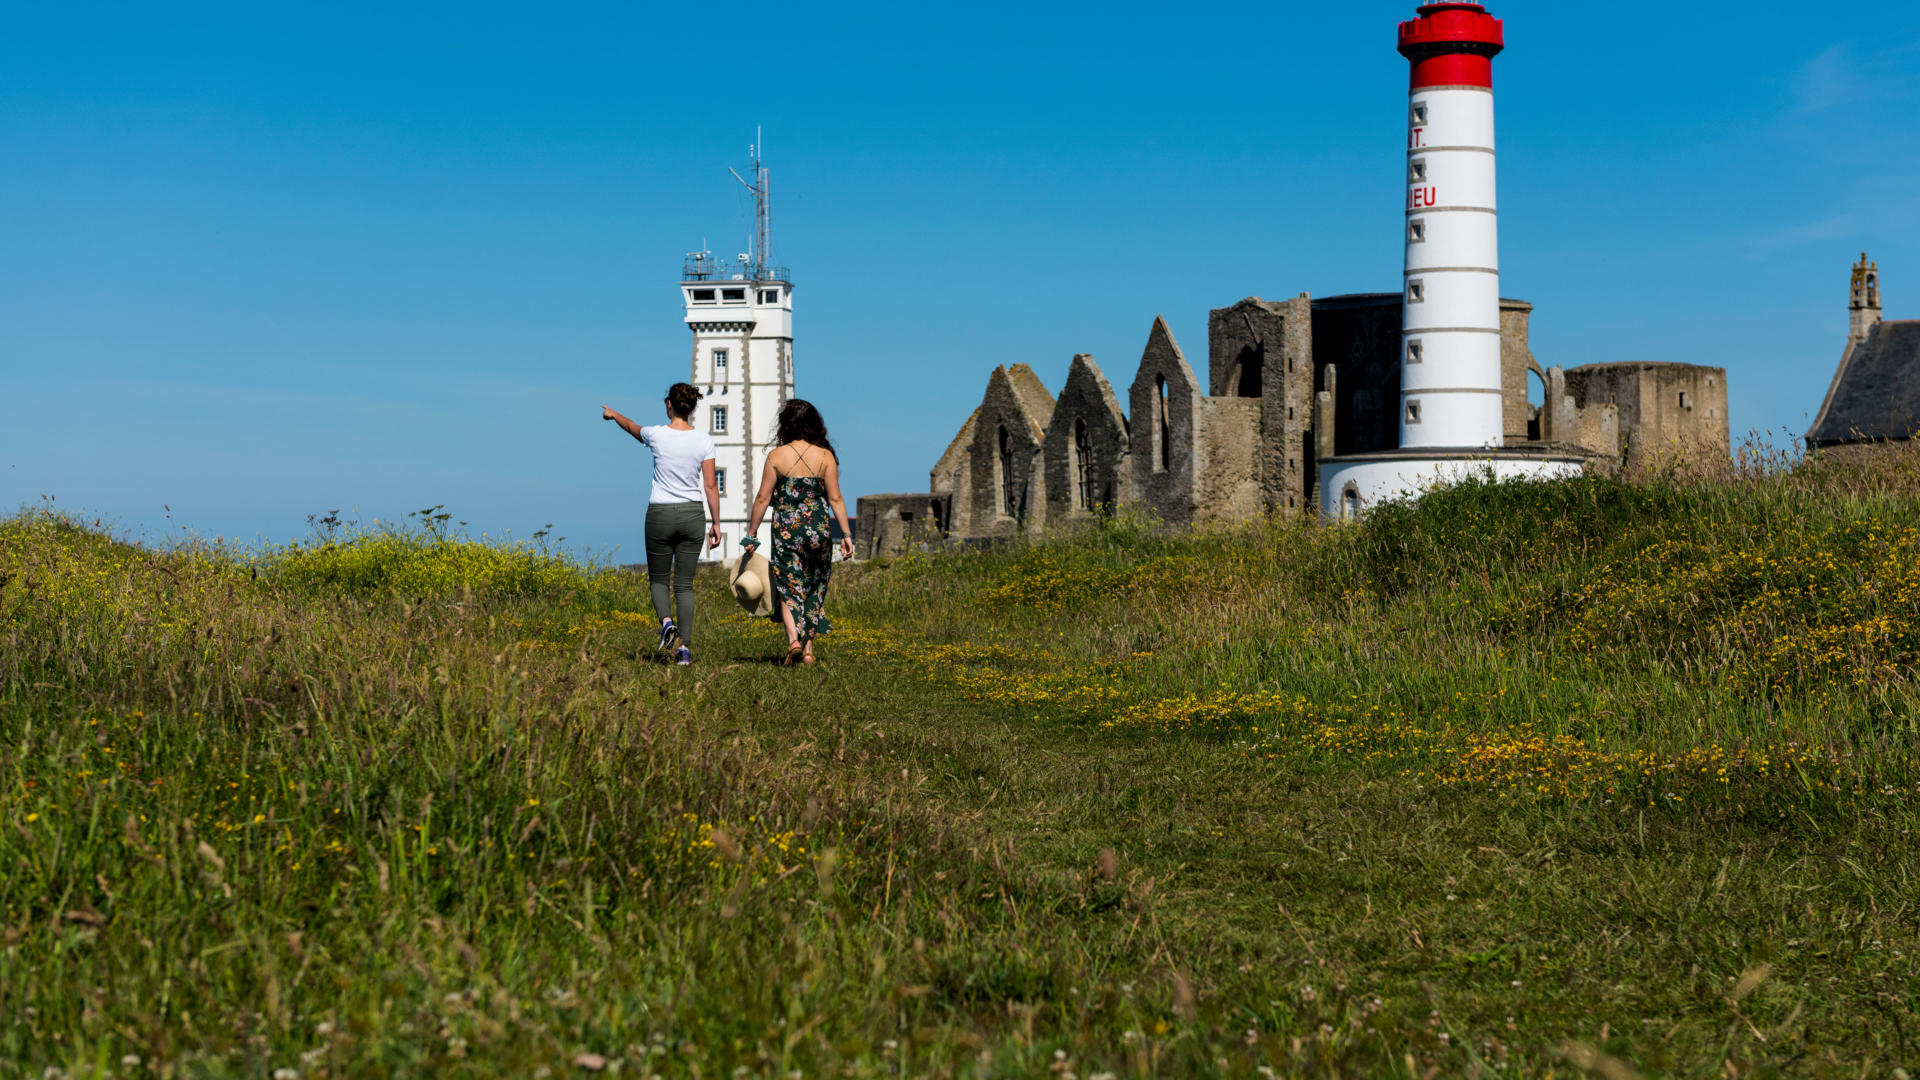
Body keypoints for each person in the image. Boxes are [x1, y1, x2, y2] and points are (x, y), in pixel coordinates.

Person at [602, 384, 721, 665]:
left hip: (660, 514)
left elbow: (630, 426)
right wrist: (716, 522)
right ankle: (684, 651)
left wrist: (613, 413)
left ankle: (667, 624)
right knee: (684, 585)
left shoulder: (656, 435)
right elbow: (711, 485)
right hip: (693, 514)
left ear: (669, 404)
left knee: (658, 579)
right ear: (692, 408)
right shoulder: (704, 441)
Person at [742, 399, 854, 665]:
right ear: (814, 424)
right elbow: (836, 499)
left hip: (787, 530)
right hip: (818, 529)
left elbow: (762, 498)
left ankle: (793, 640)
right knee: (814, 586)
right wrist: (847, 535)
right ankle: (808, 649)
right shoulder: (826, 456)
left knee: (788, 585)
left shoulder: (776, 457)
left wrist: (752, 532)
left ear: (786, 424)